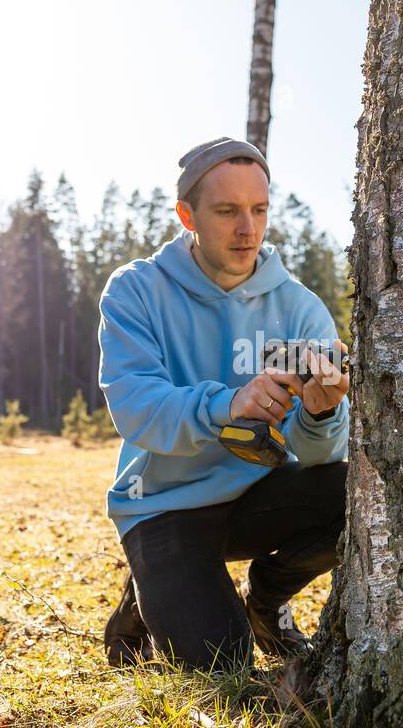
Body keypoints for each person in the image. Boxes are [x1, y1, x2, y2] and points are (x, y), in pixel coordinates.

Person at [97, 136, 350, 673]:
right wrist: (230, 404)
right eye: (228, 211)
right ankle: (145, 587)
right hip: (162, 505)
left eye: (259, 210)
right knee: (222, 666)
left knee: (355, 493)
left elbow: (320, 456)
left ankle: (267, 597)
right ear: (186, 215)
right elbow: (138, 408)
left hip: (257, 497)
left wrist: (321, 414)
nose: (248, 230)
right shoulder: (136, 291)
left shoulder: (301, 307)